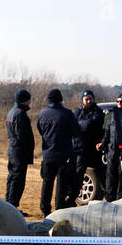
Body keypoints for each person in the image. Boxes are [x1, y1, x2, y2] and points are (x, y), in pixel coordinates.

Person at [35, 88, 80, 216]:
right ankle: (59, 209)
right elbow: (76, 132)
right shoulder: (67, 114)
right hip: (63, 155)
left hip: (48, 155)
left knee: (47, 183)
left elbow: (40, 130)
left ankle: (45, 210)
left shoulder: (42, 114)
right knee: (62, 184)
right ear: (61, 99)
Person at [72, 89, 105, 203]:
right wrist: (84, 124)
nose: (88, 101)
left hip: (93, 149)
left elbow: (90, 125)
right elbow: (73, 125)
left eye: (90, 99)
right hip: (79, 148)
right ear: (82, 100)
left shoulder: (98, 112)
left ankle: (109, 196)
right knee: (77, 174)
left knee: (100, 174)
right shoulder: (78, 111)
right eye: (86, 99)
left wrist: (80, 124)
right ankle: (73, 196)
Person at [4, 88, 33, 209]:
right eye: (28, 100)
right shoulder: (20, 114)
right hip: (19, 151)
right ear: (24, 101)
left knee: (12, 177)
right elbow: (22, 135)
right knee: (18, 179)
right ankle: (13, 206)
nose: (30, 102)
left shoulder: (11, 112)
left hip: (12, 149)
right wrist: (28, 147)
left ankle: (9, 204)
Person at [100, 91, 122, 200]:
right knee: (110, 180)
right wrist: (103, 144)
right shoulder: (113, 116)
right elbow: (107, 133)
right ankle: (110, 201)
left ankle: (120, 203)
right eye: (117, 101)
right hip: (112, 153)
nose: (119, 104)